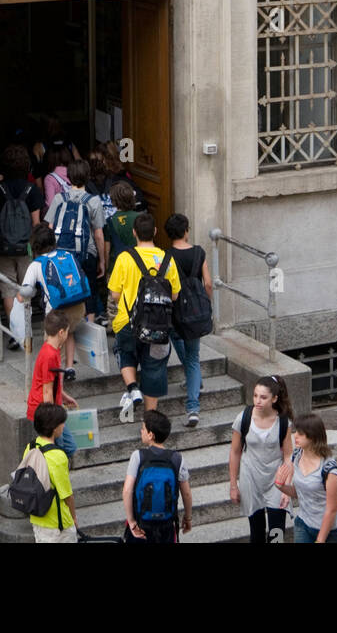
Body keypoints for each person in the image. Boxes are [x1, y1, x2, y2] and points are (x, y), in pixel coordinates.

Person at [107, 212, 181, 418]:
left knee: (125, 353)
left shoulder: (125, 258)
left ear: (134, 233)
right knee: (154, 367)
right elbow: (174, 295)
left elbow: (114, 294)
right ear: (155, 232)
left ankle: (132, 387)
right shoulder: (168, 259)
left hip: (127, 322)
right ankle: (150, 418)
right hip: (159, 325)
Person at [229, 376, 293, 543]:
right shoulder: (244, 418)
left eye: (263, 397)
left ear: (274, 398)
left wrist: (288, 485)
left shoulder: (283, 421)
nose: (258, 400)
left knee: (277, 532)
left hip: (276, 479)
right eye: (255, 395)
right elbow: (235, 452)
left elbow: (288, 455)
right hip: (251, 476)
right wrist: (233, 485)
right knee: (256, 531)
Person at [16, 223, 87, 376]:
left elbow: (23, 295)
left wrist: (19, 295)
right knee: (69, 333)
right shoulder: (67, 255)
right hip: (78, 306)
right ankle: (69, 368)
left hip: (56, 311)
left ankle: (56, 377)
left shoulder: (36, 264)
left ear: (34, 246)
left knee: (53, 345)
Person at [164, 212, 213, 427]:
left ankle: (195, 383)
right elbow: (208, 283)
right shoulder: (199, 253)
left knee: (183, 349)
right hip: (195, 313)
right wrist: (206, 303)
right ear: (186, 231)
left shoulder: (166, 256)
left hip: (175, 312)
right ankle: (193, 407)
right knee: (193, 356)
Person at [0, 144, 44, 351]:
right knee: (25, 289)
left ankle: (15, 334)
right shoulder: (32, 190)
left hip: (3, 247)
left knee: (8, 290)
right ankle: (26, 334)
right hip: (26, 248)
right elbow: (36, 223)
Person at [45, 160, 106, 322]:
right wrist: (102, 260)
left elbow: (50, 227)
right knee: (90, 291)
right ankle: (89, 329)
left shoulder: (59, 199)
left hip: (62, 253)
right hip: (87, 253)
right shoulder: (93, 201)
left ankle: (65, 328)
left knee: (64, 289)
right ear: (88, 177)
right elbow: (99, 234)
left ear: (69, 177)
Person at [274, 413, 337, 544]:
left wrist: (320, 539)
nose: (295, 436)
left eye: (301, 434)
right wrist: (281, 486)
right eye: (296, 431)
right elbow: (299, 492)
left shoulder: (330, 470)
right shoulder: (296, 456)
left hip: (330, 530)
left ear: (313, 436)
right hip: (304, 523)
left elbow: (332, 509)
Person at [123, 409, 192, 543]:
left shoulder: (138, 456)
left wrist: (131, 521)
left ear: (151, 435)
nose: (141, 431)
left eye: (143, 429)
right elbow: (187, 494)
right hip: (166, 526)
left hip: (141, 524)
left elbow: (127, 491)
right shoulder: (177, 459)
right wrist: (187, 518)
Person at [27, 310, 79, 461]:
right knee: (58, 451)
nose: (68, 335)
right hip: (47, 413)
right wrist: (52, 422)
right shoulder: (50, 355)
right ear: (61, 332)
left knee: (68, 447)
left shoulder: (51, 350)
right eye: (67, 332)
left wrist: (64, 397)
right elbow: (47, 391)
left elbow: (51, 384)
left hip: (50, 409)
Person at [23, 402, 78, 543]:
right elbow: (67, 495)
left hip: (37, 517)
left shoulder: (31, 446)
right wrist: (74, 518)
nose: (64, 426)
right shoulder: (58, 456)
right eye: (62, 423)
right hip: (58, 525)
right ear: (54, 428)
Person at [104, 180, 139, 269]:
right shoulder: (140, 218)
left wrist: (107, 268)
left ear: (113, 201)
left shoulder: (109, 221)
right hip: (137, 261)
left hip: (117, 263)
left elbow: (107, 248)